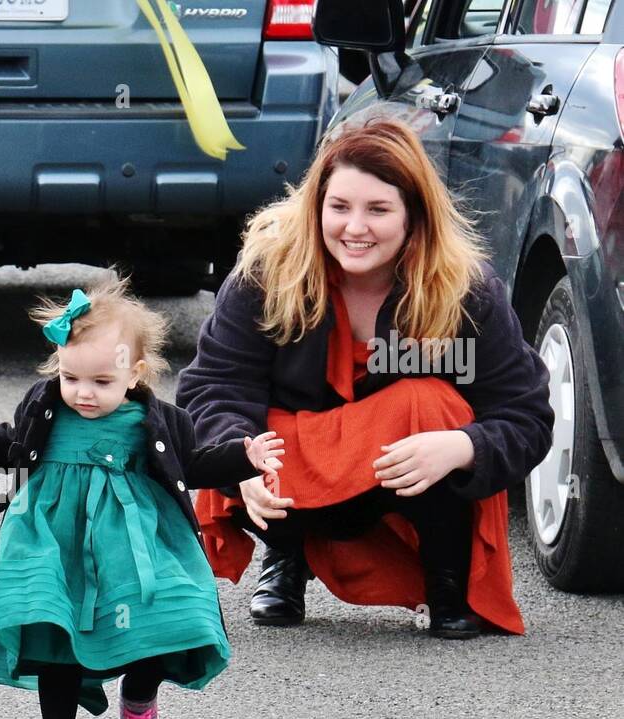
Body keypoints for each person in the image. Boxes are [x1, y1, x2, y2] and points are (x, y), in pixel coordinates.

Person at [178, 119, 553, 638]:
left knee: (431, 401)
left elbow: (527, 413)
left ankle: (446, 581)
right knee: (243, 437)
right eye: (340, 208)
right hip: (293, 469)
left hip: (400, 473)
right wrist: (236, 467)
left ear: (414, 218)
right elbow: (213, 388)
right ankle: (286, 558)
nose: (355, 228)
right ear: (317, 208)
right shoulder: (266, 273)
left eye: (378, 210)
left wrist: (464, 447)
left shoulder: (467, 289)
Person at [0, 274, 281, 719]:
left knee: (164, 618)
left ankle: (140, 688)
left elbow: (193, 465)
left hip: (135, 546)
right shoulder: (46, 407)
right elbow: (10, 443)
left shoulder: (157, 422)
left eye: (101, 383)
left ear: (134, 374)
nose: (83, 394)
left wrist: (243, 457)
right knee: (53, 627)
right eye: (71, 378)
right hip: (52, 542)